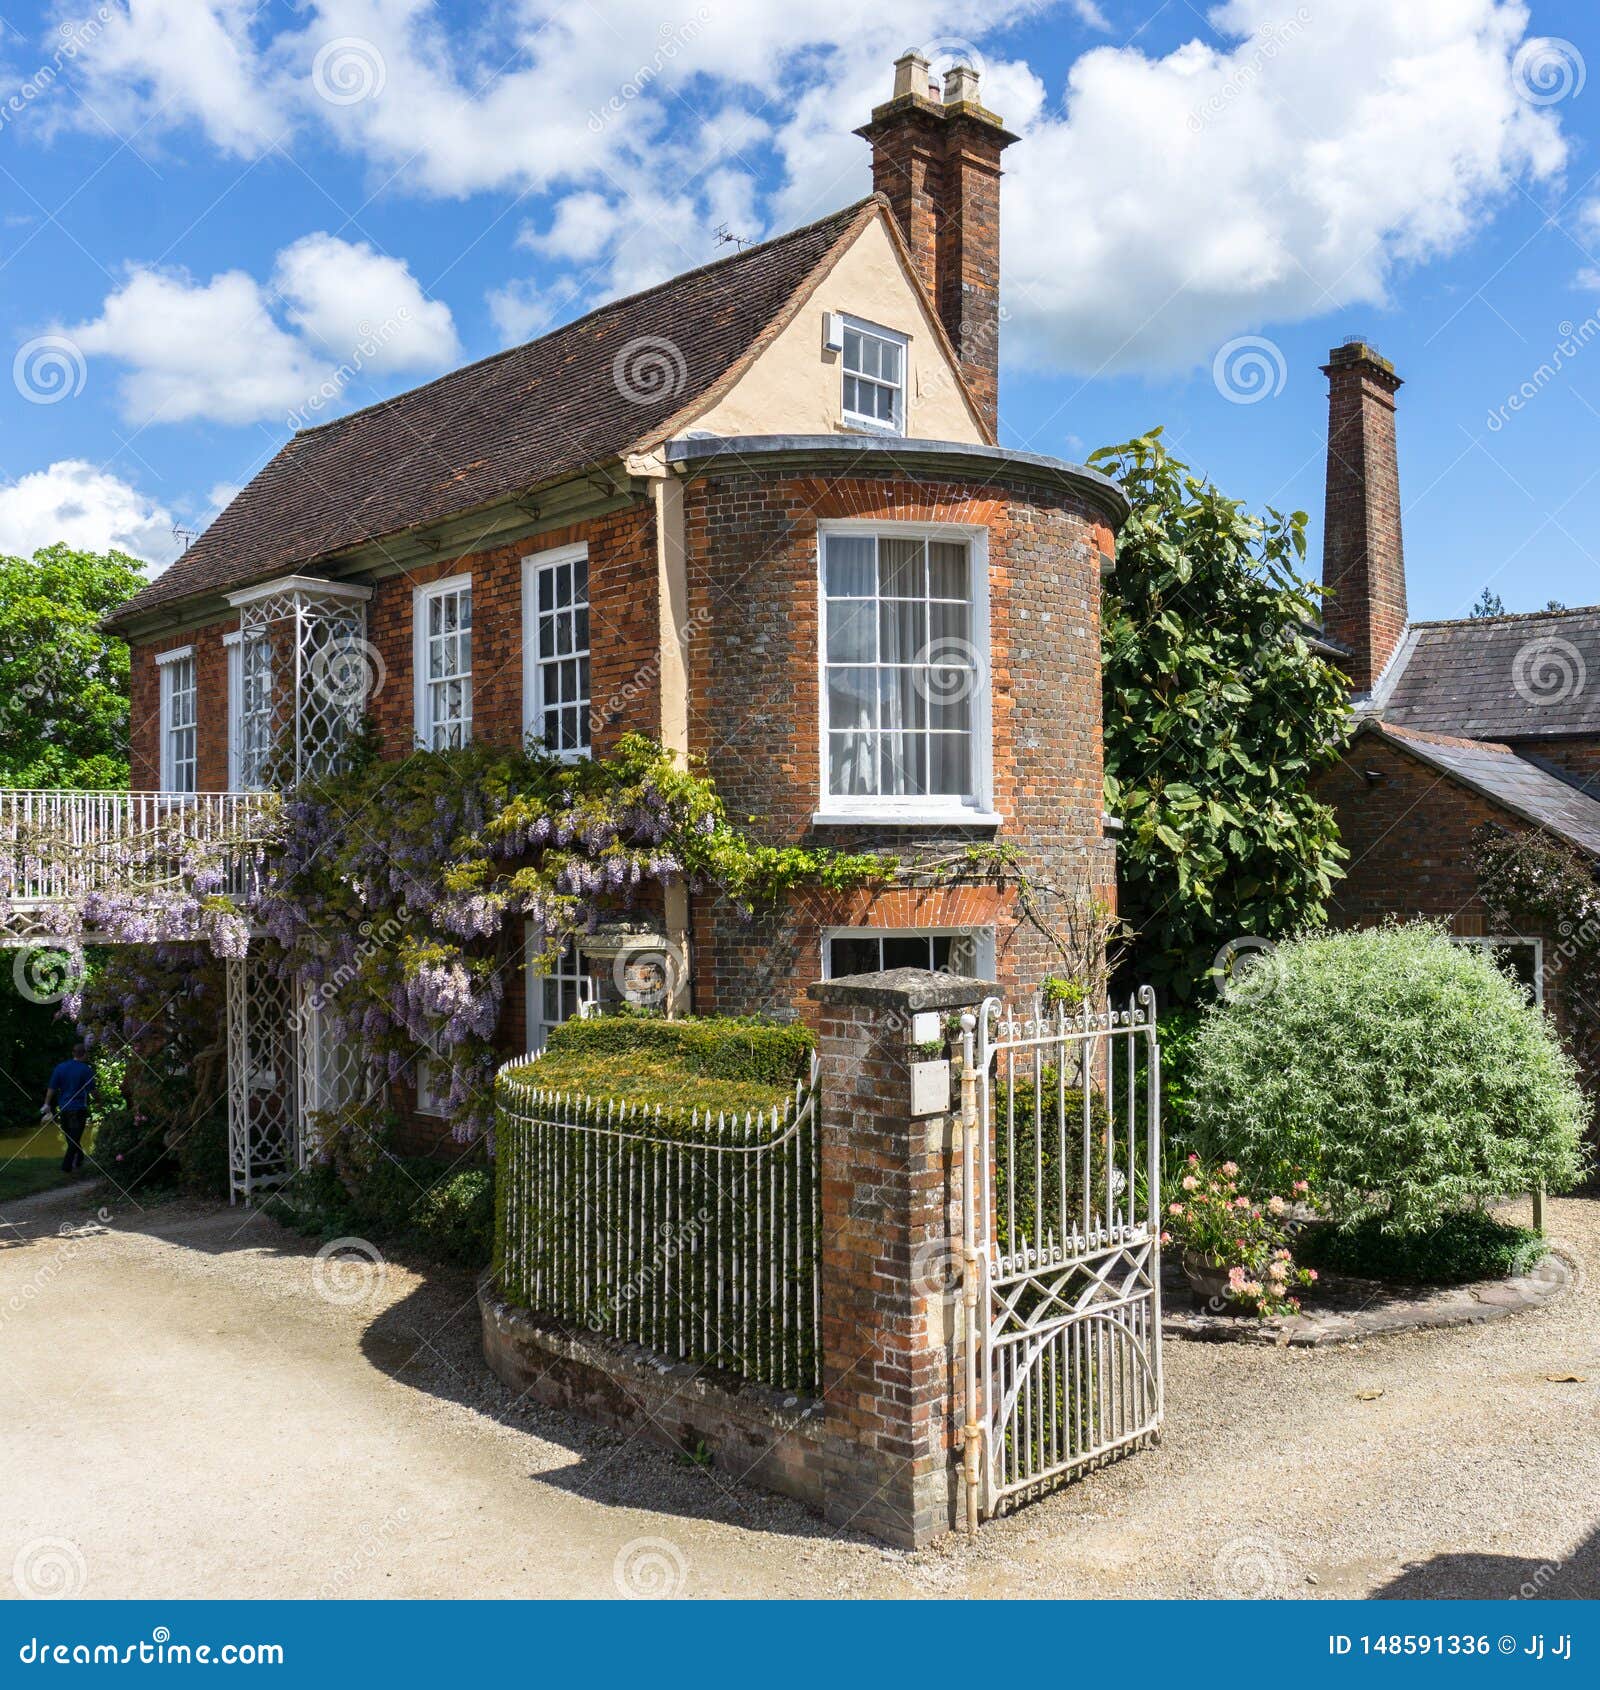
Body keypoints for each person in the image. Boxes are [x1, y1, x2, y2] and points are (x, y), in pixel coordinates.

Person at [43, 1043, 95, 1175]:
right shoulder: (86, 1070)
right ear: (85, 1054)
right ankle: (66, 1166)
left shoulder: (60, 1068)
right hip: (79, 1108)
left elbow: (52, 1088)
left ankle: (79, 1158)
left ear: (73, 1053)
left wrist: (47, 1104)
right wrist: (100, 1100)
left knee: (71, 1137)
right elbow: (92, 1090)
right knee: (74, 1138)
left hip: (64, 1108)